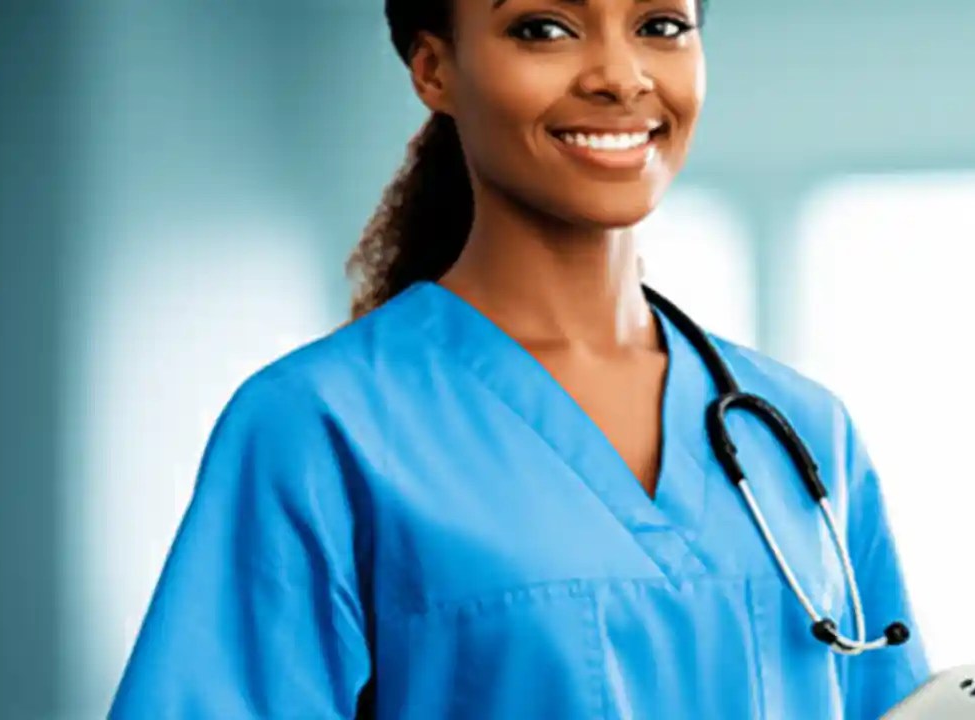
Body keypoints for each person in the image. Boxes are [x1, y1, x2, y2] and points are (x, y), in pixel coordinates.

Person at [110, 0, 930, 717]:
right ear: (434, 70)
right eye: (544, 28)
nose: (621, 76)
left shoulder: (803, 431)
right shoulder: (320, 424)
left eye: (661, 25)